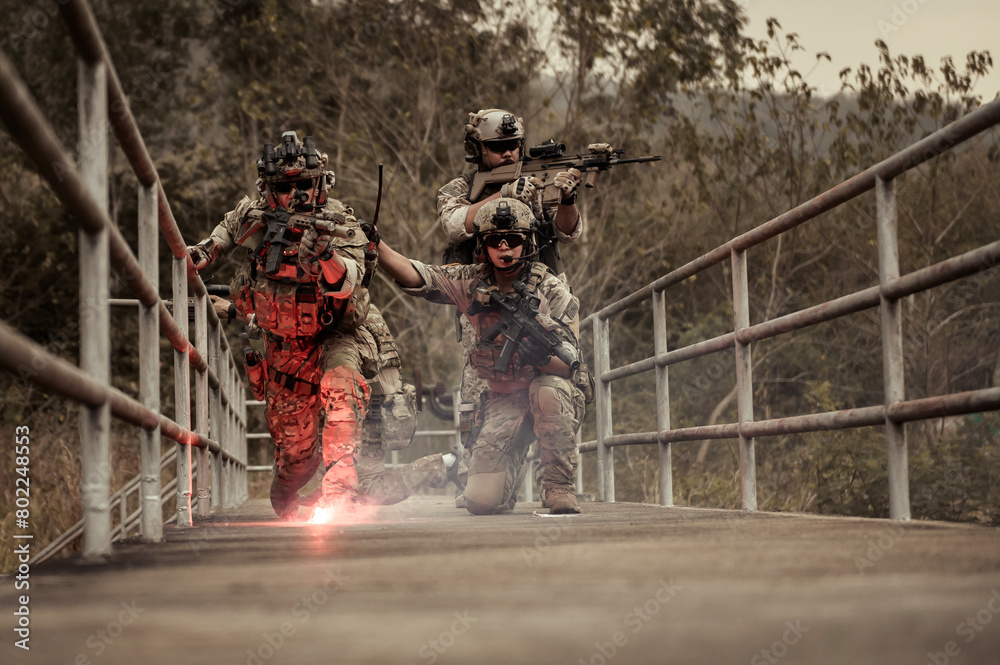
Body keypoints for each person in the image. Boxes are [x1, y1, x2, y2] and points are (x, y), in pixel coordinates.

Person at [187, 131, 456, 519]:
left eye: (304, 185)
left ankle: (339, 491)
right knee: (297, 461)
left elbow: (348, 279)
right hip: (284, 351)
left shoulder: (340, 223)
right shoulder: (254, 215)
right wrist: (202, 253)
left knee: (342, 383)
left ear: (321, 184)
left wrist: (324, 255)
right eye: (284, 187)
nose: (296, 194)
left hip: (336, 336)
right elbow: (227, 230)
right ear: (267, 189)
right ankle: (289, 497)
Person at [375, 198, 589, 514]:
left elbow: (568, 364)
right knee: (481, 502)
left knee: (547, 390)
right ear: (483, 246)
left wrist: (533, 350)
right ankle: (508, 469)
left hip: (552, 393)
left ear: (527, 242)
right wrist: (376, 246)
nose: (505, 248)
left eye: (514, 240)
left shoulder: (551, 289)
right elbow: (419, 275)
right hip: (503, 400)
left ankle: (558, 487)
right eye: (495, 241)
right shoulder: (472, 281)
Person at [436, 108, 602, 504]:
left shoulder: (535, 182)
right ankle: (493, 481)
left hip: (540, 304)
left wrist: (566, 197)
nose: (508, 154)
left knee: (551, 387)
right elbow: (456, 223)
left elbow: (567, 231)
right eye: (498, 148)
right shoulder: (460, 188)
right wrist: (505, 195)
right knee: (479, 404)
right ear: (479, 151)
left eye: (514, 146)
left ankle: (557, 485)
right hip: (486, 311)